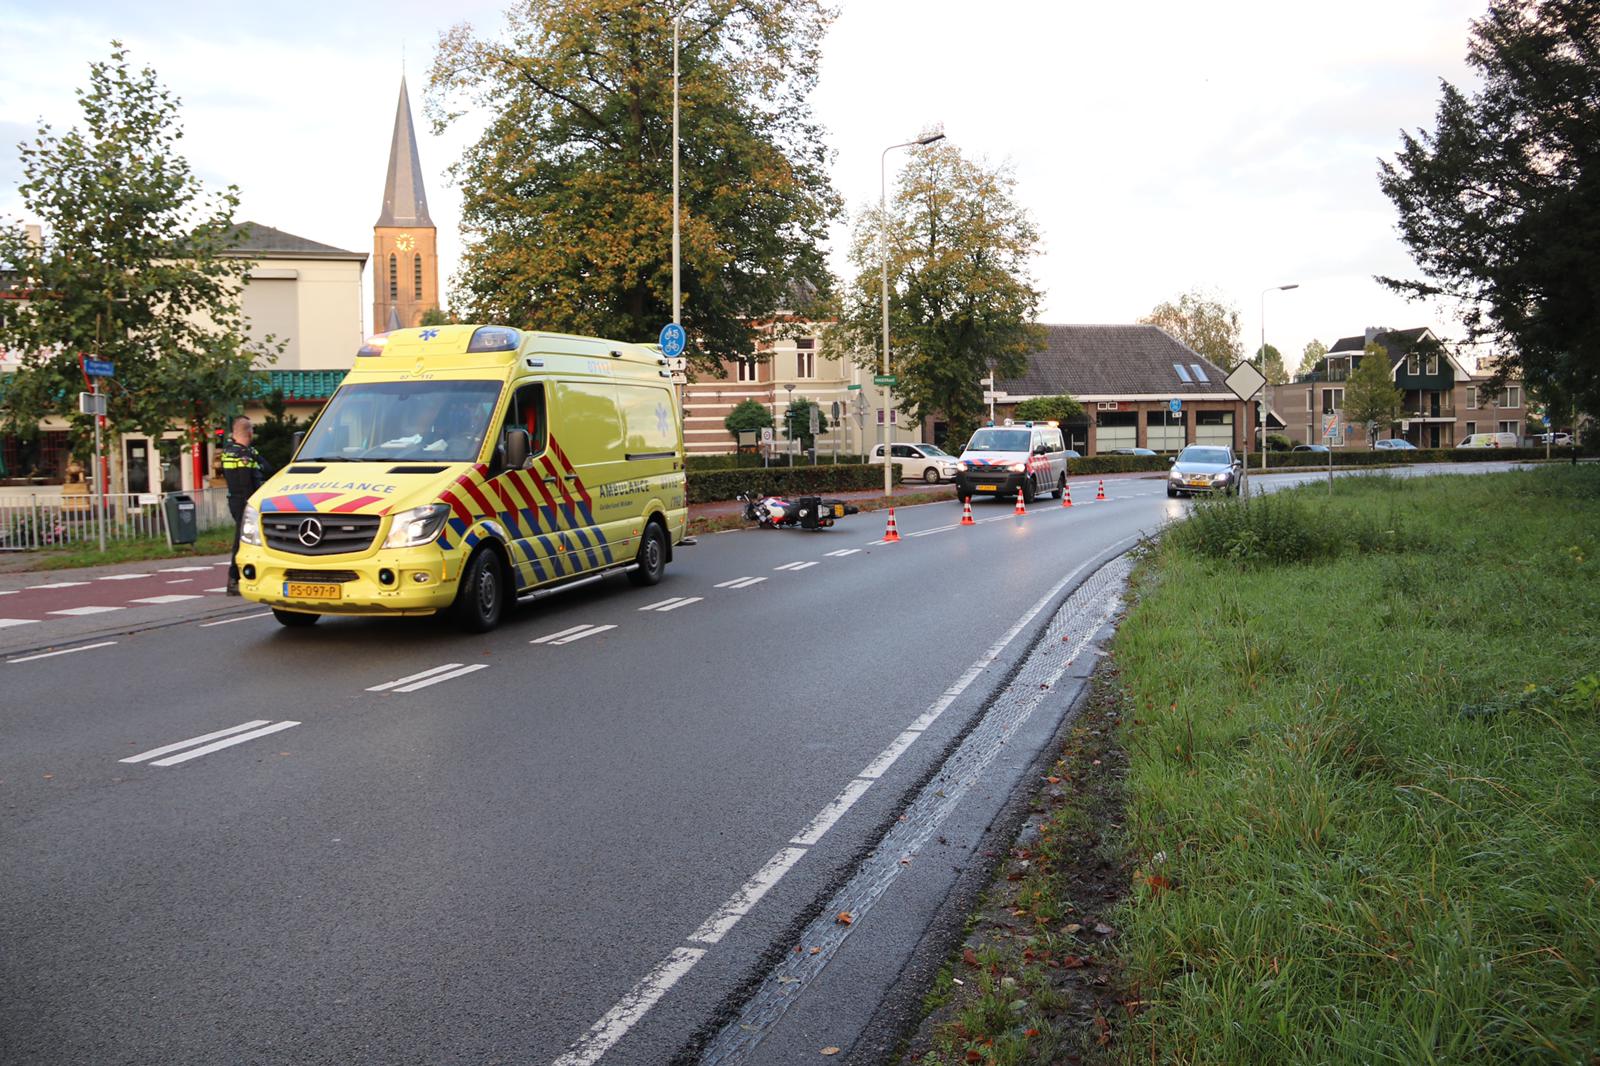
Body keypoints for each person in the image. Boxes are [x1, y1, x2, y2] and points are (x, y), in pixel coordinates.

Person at [221, 416, 265, 596]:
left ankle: (238, 578)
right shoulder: (244, 455)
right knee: (241, 540)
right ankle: (234, 579)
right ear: (249, 432)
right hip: (245, 501)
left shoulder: (228, 451)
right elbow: (248, 480)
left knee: (242, 538)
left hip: (234, 499)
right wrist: (251, 505)